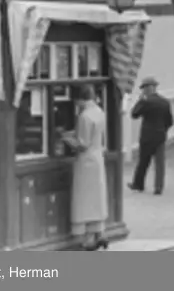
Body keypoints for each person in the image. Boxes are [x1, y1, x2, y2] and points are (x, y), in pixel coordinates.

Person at [65, 86, 109, 250]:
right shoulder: (99, 111)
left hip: (85, 161)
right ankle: (100, 232)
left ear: (79, 99)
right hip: (97, 157)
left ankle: (88, 238)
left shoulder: (84, 116)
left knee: (85, 198)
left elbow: (82, 144)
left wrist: (67, 138)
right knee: (97, 197)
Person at [128, 76, 174, 195]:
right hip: (160, 135)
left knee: (143, 161)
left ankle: (138, 184)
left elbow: (134, 114)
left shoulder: (146, 102)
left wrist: (140, 101)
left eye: (144, 88)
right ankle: (158, 187)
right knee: (159, 163)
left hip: (147, 135)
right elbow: (170, 121)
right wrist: (164, 129)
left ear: (147, 89)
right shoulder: (165, 102)